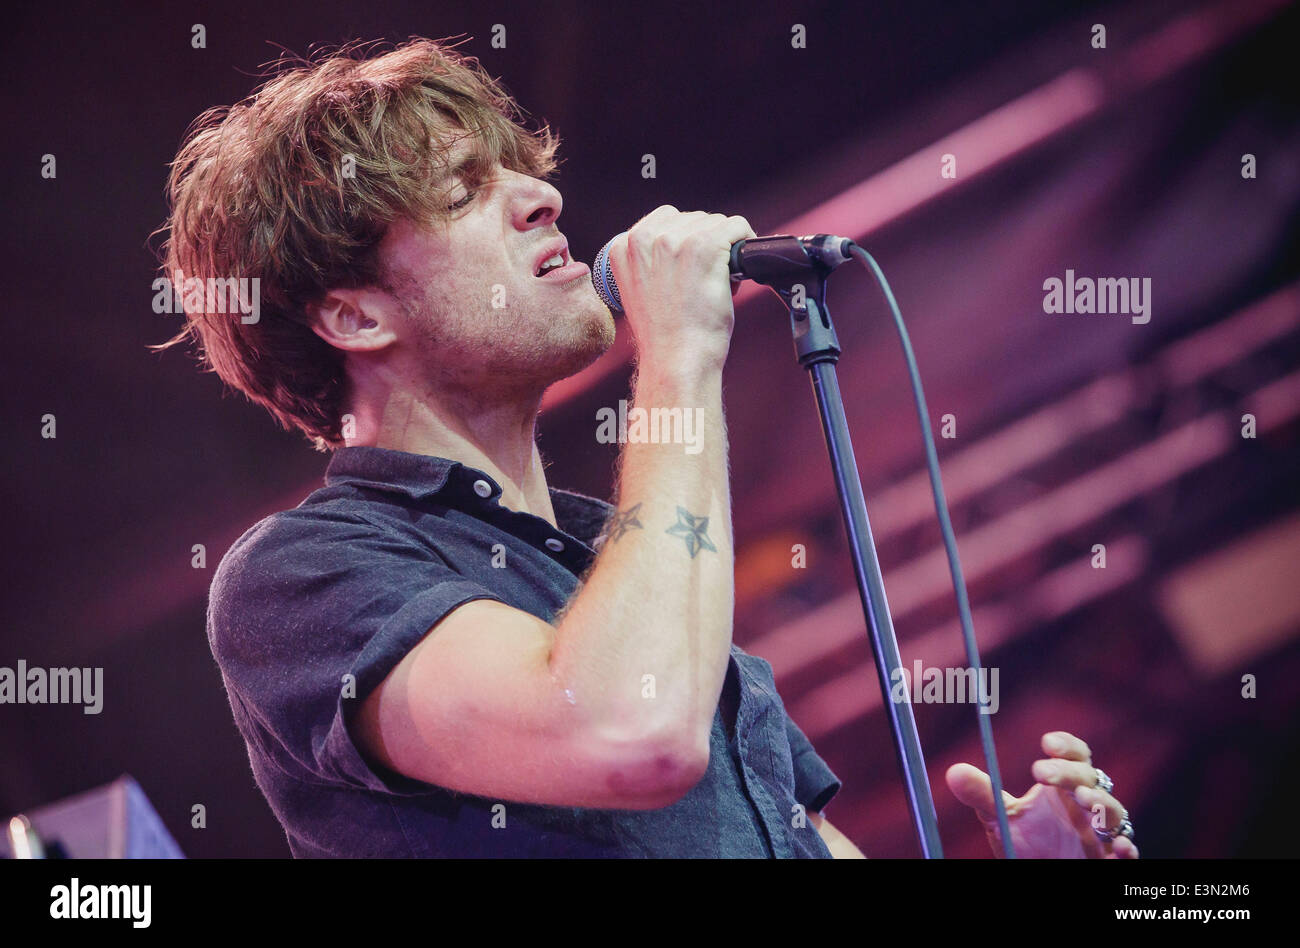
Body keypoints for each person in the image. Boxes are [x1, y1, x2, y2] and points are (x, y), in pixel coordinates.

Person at [158, 38, 1138, 858]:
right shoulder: (302, 577)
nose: (538, 195)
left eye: (519, 167)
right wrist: (678, 352)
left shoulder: (631, 578)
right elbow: (627, 731)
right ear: (354, 316)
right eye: (463, 191)